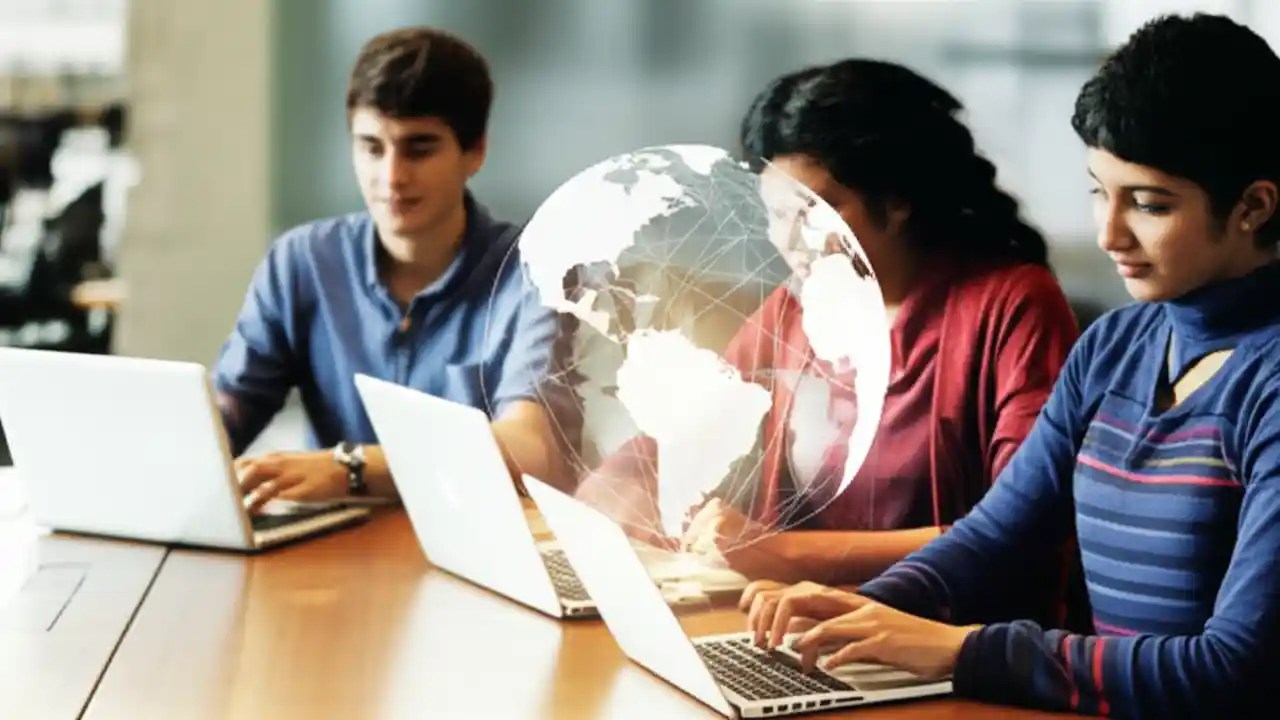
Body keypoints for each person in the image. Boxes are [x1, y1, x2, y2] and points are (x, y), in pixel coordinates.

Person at [743, 14, 1280, 719]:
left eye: (1148, 204)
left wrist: (956, 650)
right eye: (1098, 192)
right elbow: (996, 535)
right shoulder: (1116, 345)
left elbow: (1231, 670)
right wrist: (862, 608)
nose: (1109, 233)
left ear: (1253, 206)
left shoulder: (1266, 382)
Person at [578, 59, 1079, 622]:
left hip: (946, 644)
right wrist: (594, 514)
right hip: (802, 626)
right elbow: (671, 440)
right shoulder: (798, 305)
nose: (789, 240)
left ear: (897, 202)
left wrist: (787, 554)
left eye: (816, 211)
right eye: (776, 213)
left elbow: (1021, 530)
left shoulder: (1014, 305)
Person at [216, 27, 567, 509]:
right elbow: (225, 416)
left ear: (476, 151)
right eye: (371, 147)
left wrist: (350, 469)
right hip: (330, 554)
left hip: (479, 557)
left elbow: (528, 451)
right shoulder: (301, 263)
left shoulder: (534, 272)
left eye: (419, 148)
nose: (392, 177)